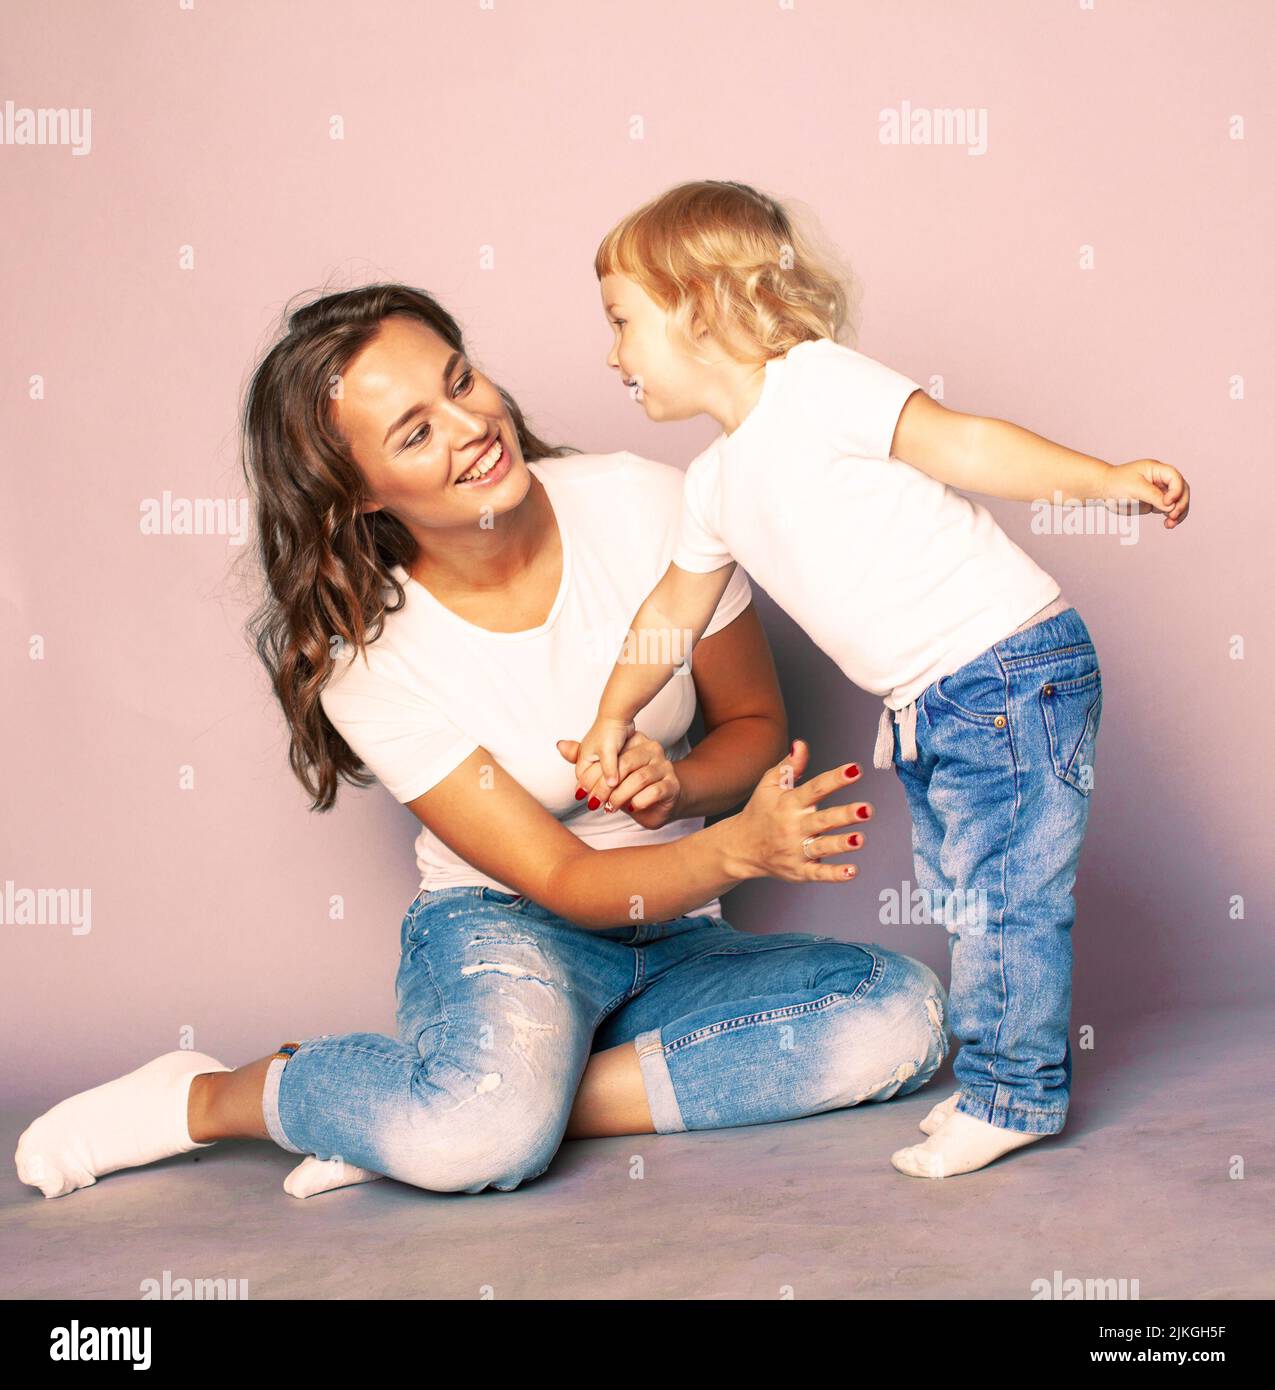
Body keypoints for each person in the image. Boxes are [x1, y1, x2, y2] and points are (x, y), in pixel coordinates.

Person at [13, 283, 948, 1202]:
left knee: (898, 1016)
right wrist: (734, 847)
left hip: (678, 933)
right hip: (506, 928)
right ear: (357, 500)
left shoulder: (652, 509)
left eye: (460, 383)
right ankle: (216, 1098)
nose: (470, 427)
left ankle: (463, 1110)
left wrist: (683, 785)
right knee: (481, 1131)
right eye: (415, 433)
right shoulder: (366, 661)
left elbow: (752, 729)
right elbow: (568, 884)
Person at [570, 179, 1191, 1178]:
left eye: (621, 321)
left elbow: (963, 442)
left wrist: (1103, 478)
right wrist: (611, 715)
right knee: (962, 896)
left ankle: (1015, 1094)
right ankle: (997, 1077)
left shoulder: (816, 382)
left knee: (1006, 898)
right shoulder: (714, 483)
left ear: (697, 303)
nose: (610, 354)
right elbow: (672, 612)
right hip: (933, 701)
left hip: (1005, 664)